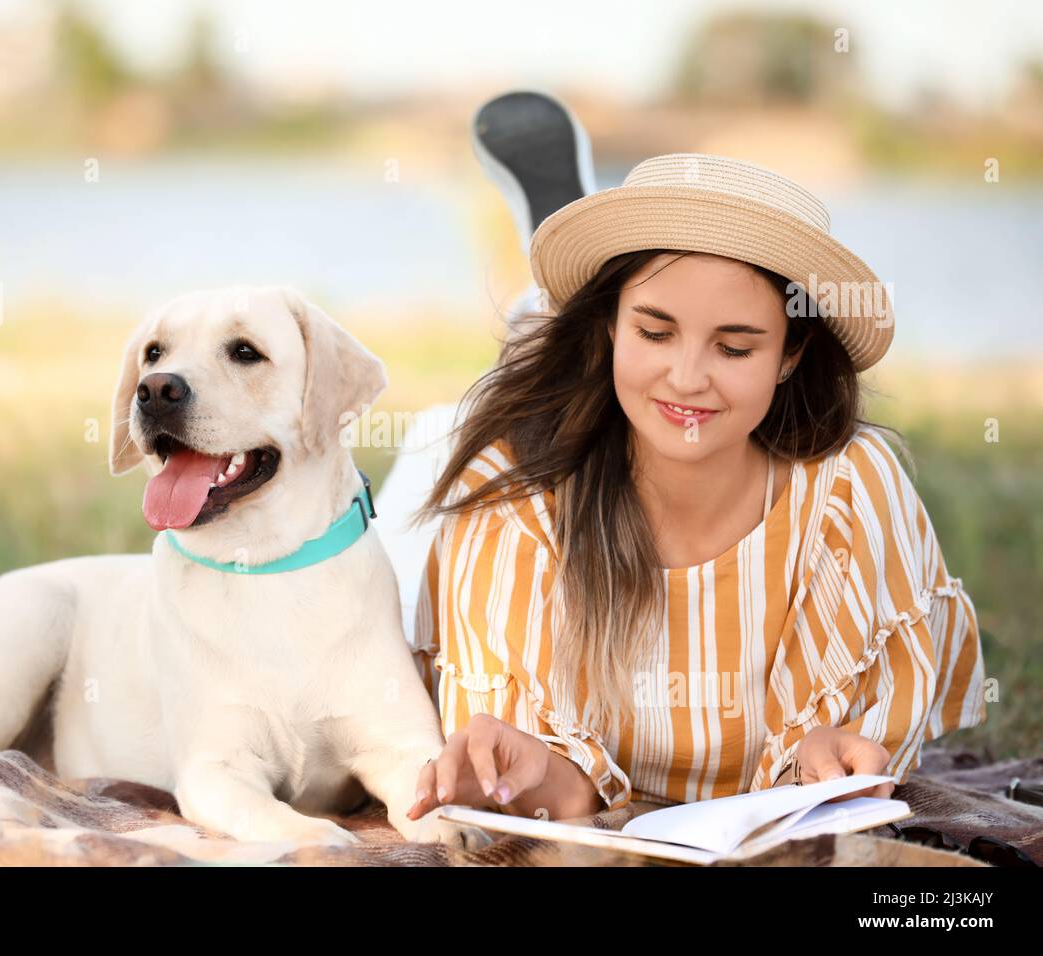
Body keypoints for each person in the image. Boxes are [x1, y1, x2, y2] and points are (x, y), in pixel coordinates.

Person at [395, 149, 987, 823]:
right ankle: (540, 311)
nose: (686, 377)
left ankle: (555, 289)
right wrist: (531, 773)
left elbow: (823, 770)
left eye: (734, 349)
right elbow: (555, 788)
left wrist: (820, 760)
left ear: (791, 355)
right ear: (611, 323)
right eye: (654, 331)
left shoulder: (850, 493)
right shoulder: (511, 495)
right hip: (453, 510)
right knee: (429, 451)